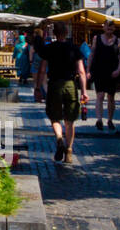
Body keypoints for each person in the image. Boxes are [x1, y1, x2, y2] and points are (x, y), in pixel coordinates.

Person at [37, 20, 88, 164]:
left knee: (54, 117)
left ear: (54, 33)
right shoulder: (74, 48)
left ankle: (59, 138)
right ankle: (69, 151)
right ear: (66, 32)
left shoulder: (49, 48)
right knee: (70, 120)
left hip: (54, 85)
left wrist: (37, 87)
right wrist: (84, 91)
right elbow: (81, 71)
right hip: (70, 85)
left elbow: (42, 71)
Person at [90, 20, 120, 132]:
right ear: (103, 27)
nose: (109, 28)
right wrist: (88, 69)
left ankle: (110, 120)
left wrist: (118, 69)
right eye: (107, 26)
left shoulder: (119, 41)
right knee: (100, 96)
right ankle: (99, 120)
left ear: (114, 29)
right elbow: (92, 54)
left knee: (111, 97)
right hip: (99, 71)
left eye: (112, 27)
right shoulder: (97, 39)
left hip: (112, 72)